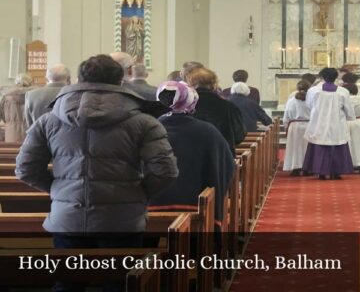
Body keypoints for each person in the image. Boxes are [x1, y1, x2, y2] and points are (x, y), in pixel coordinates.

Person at [15, 54, 177, 290]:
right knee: (118, 284)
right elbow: (165, 171)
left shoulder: (48, 121)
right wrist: (137, 193)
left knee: (68, 284)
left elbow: (26, 169)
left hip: (68, 217)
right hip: (122, 220)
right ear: (121, 81)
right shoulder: (145, 122)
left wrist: (61, 190)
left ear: (79, 80)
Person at [149, 81, 234, 225]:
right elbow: (227, 166)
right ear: (191, 101)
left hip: (149, 206)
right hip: (196, 207)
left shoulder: (146, 130)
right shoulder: (208, 131)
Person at [302, 67, 356, 180]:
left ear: (322, 77)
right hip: (336, 124)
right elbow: (349, 111)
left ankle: (319, 171)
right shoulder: (343, 92)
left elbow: (308, 106)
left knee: (319, 146)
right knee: (337, 146)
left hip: (318, 123)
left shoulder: (313, 91)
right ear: (336, 77)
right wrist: (349, 117)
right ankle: (336, 172)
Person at [186, 67, 246, 154]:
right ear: (214, 85)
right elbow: (239, 135)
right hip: (222, 157)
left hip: (191, 157)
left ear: (190, 85)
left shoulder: (185, 106)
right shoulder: (228, 106)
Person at [283, 81, 311, 176]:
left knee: (295, 148)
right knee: (307, 148)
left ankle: (295, 168)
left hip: (294, 126)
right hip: (308, 125)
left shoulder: (291, 101)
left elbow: (286, 116)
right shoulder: (311, 100)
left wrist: (286, 126)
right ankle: (308, 168)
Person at [0, 73, 35, 143]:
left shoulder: (6, 98)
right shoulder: (35, 96)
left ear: (16, 82)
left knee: (10, 153)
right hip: (31, 134)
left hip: (11, 134)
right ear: (31, 82)